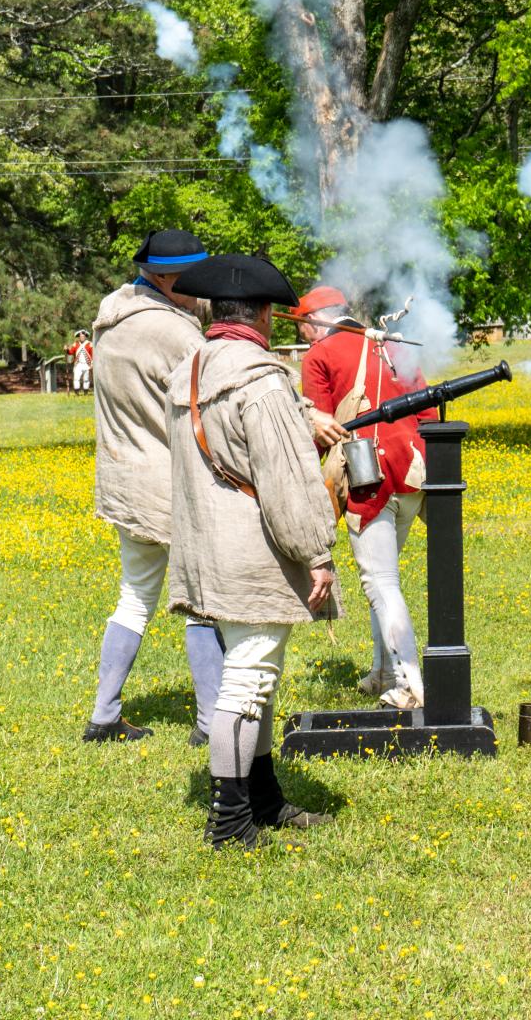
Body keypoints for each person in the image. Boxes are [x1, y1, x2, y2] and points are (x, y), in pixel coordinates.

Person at [164, 254, 341, 849]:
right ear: (263, 315)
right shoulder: (260, 380)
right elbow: (286, 480)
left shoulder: (192, 369)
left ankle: (262, 799)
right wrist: (317, 553)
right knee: (246, 682)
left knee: (256, 677)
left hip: (206, 545)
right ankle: (229, 820)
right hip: (252, 550)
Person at [84, 229, 225, 745]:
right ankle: (211, 724)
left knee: (134, 599)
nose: (204, 294)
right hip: (172, 486)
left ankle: (104, 716)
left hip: (125, 482)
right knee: (202, 603)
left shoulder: (111, 318)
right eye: (196, 282)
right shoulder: (176, 335)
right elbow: (217, 403)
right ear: (170, 281)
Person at [296, 284, 428, 710]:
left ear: (316, 320)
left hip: (369, 476)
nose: (304, 337)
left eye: (303, 328)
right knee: (384, 579)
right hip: (413, 473)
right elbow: (427, 412)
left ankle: (409, 685)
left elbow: (319, 431)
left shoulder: (319, 355)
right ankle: (384, 672)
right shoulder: (392, 344)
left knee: (381, 582)